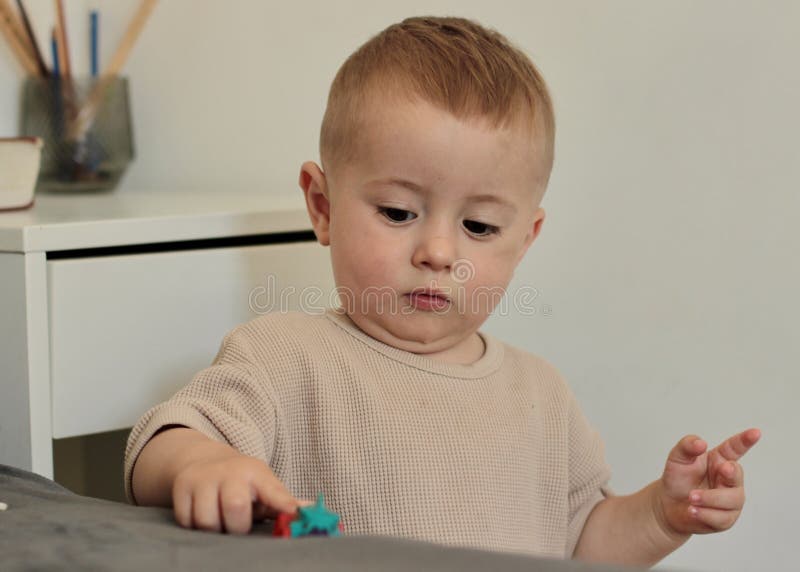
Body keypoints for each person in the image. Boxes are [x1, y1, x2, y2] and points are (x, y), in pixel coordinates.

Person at [124, 16, 760, 565]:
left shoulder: (541, 396)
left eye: (479, 226)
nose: (438, 252)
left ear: (526, 237)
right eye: (399, 213)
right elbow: (161, 441)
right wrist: (202, 465)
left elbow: (581, 545)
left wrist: (659, 517)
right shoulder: (284, 357)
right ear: (322, 206)